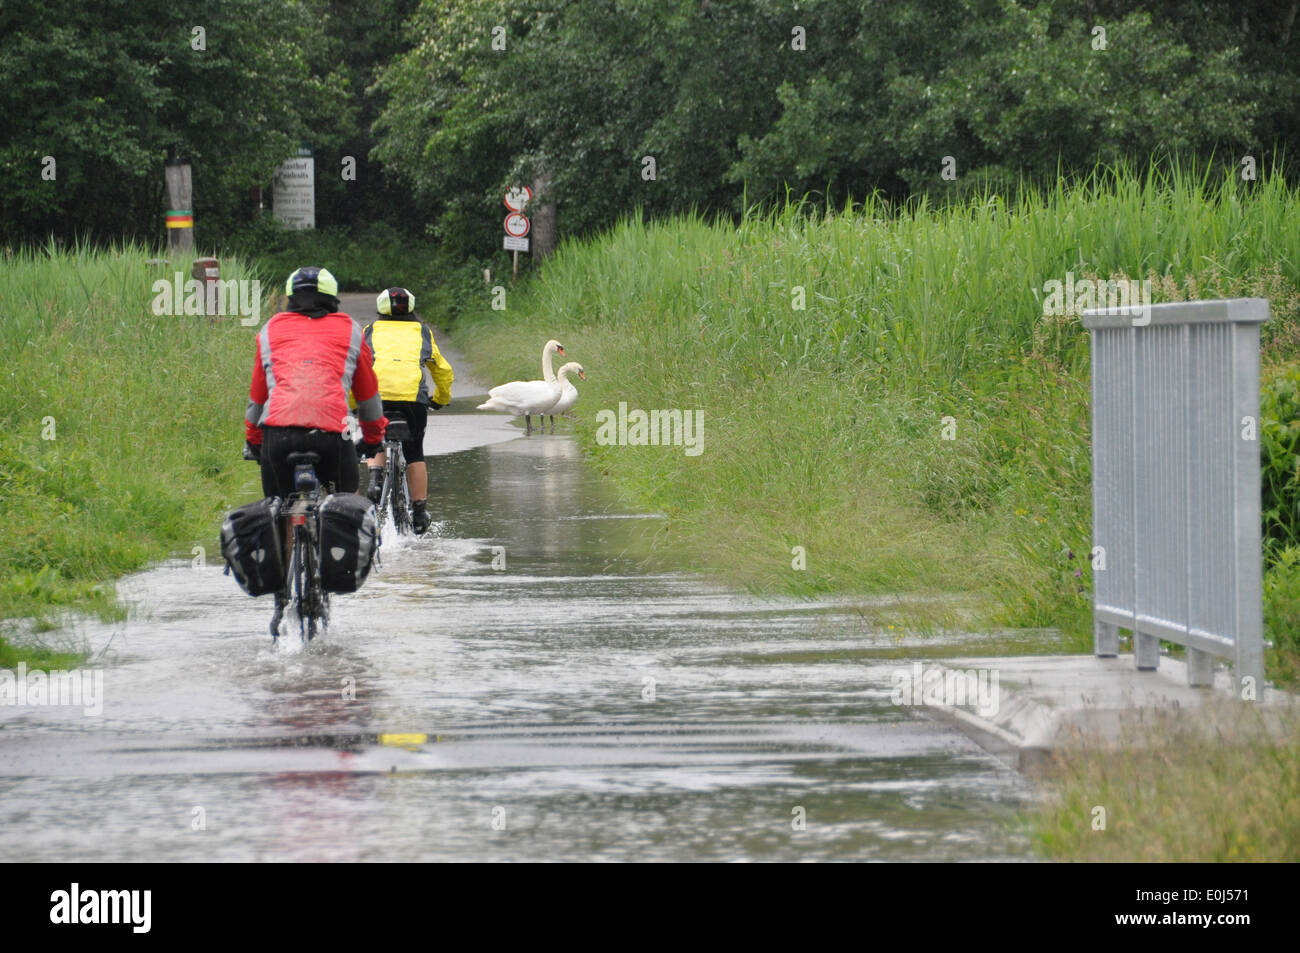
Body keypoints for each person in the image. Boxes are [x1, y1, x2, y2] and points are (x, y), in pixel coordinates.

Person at [244, 267, 387, 497]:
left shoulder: (269, 329)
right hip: (335, 432)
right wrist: (373, 438)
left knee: (277, 507)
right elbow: (367, 397)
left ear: (290, 298)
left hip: (278, 434)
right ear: (332, 298)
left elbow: (257, 397)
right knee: (347, 502)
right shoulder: (351, 329)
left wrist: (253, 439)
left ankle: (283, 529)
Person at [362, 287, 453, 535]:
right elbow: (443, 370)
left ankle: (375, 478)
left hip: (377, 398)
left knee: (375, 437)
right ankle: (420, 512)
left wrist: (355, 403)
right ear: (412, 308)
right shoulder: (422, 331)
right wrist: (440, 398)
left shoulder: (369, 331)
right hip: (413, 400)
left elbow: (358, 367)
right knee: (415, 453)